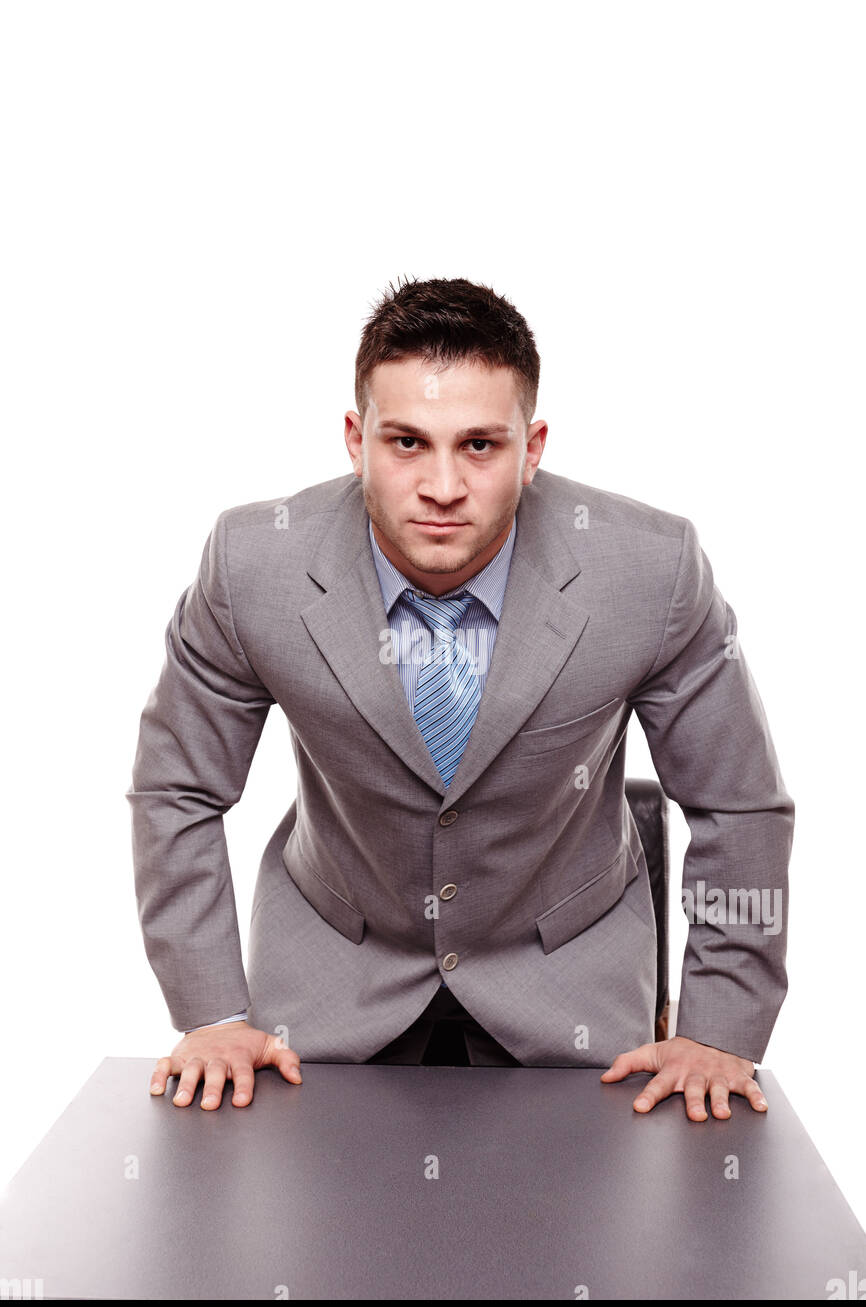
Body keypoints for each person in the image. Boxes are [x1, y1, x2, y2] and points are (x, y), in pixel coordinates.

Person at [128, 275, 794, 1123]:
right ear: (354, 438)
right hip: (332, 970)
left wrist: (720, 1029)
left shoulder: (650, 571)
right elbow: (175, 790)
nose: (442, 486)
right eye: (407, 443)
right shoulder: (249, 566)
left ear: (534, 446)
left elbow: (739, 806)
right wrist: (213, 1013)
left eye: (480, 446)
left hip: (572, 982)